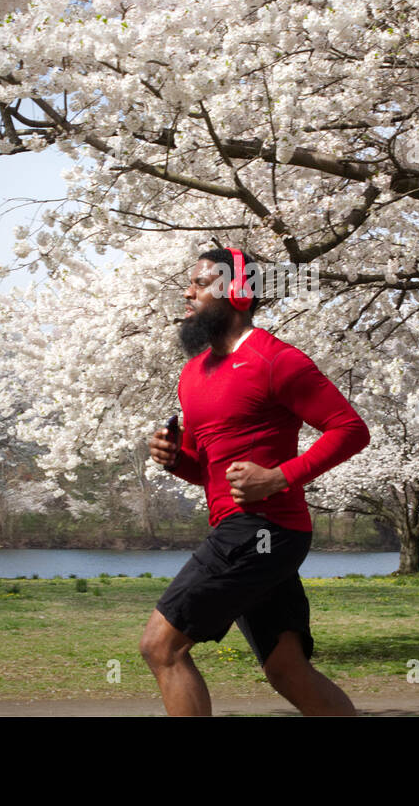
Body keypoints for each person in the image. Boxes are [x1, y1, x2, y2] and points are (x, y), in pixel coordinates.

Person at [141, 247, 370, 716]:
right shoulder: (193, 374)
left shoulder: (277, 360)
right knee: (286, 669)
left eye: (202, 283)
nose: (188, 292)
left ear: (238, 292)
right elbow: (208, 469)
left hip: (263, 529)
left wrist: (280, 477)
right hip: (251, 532)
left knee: (161, 647)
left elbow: (350, 430)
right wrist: (173, 459)